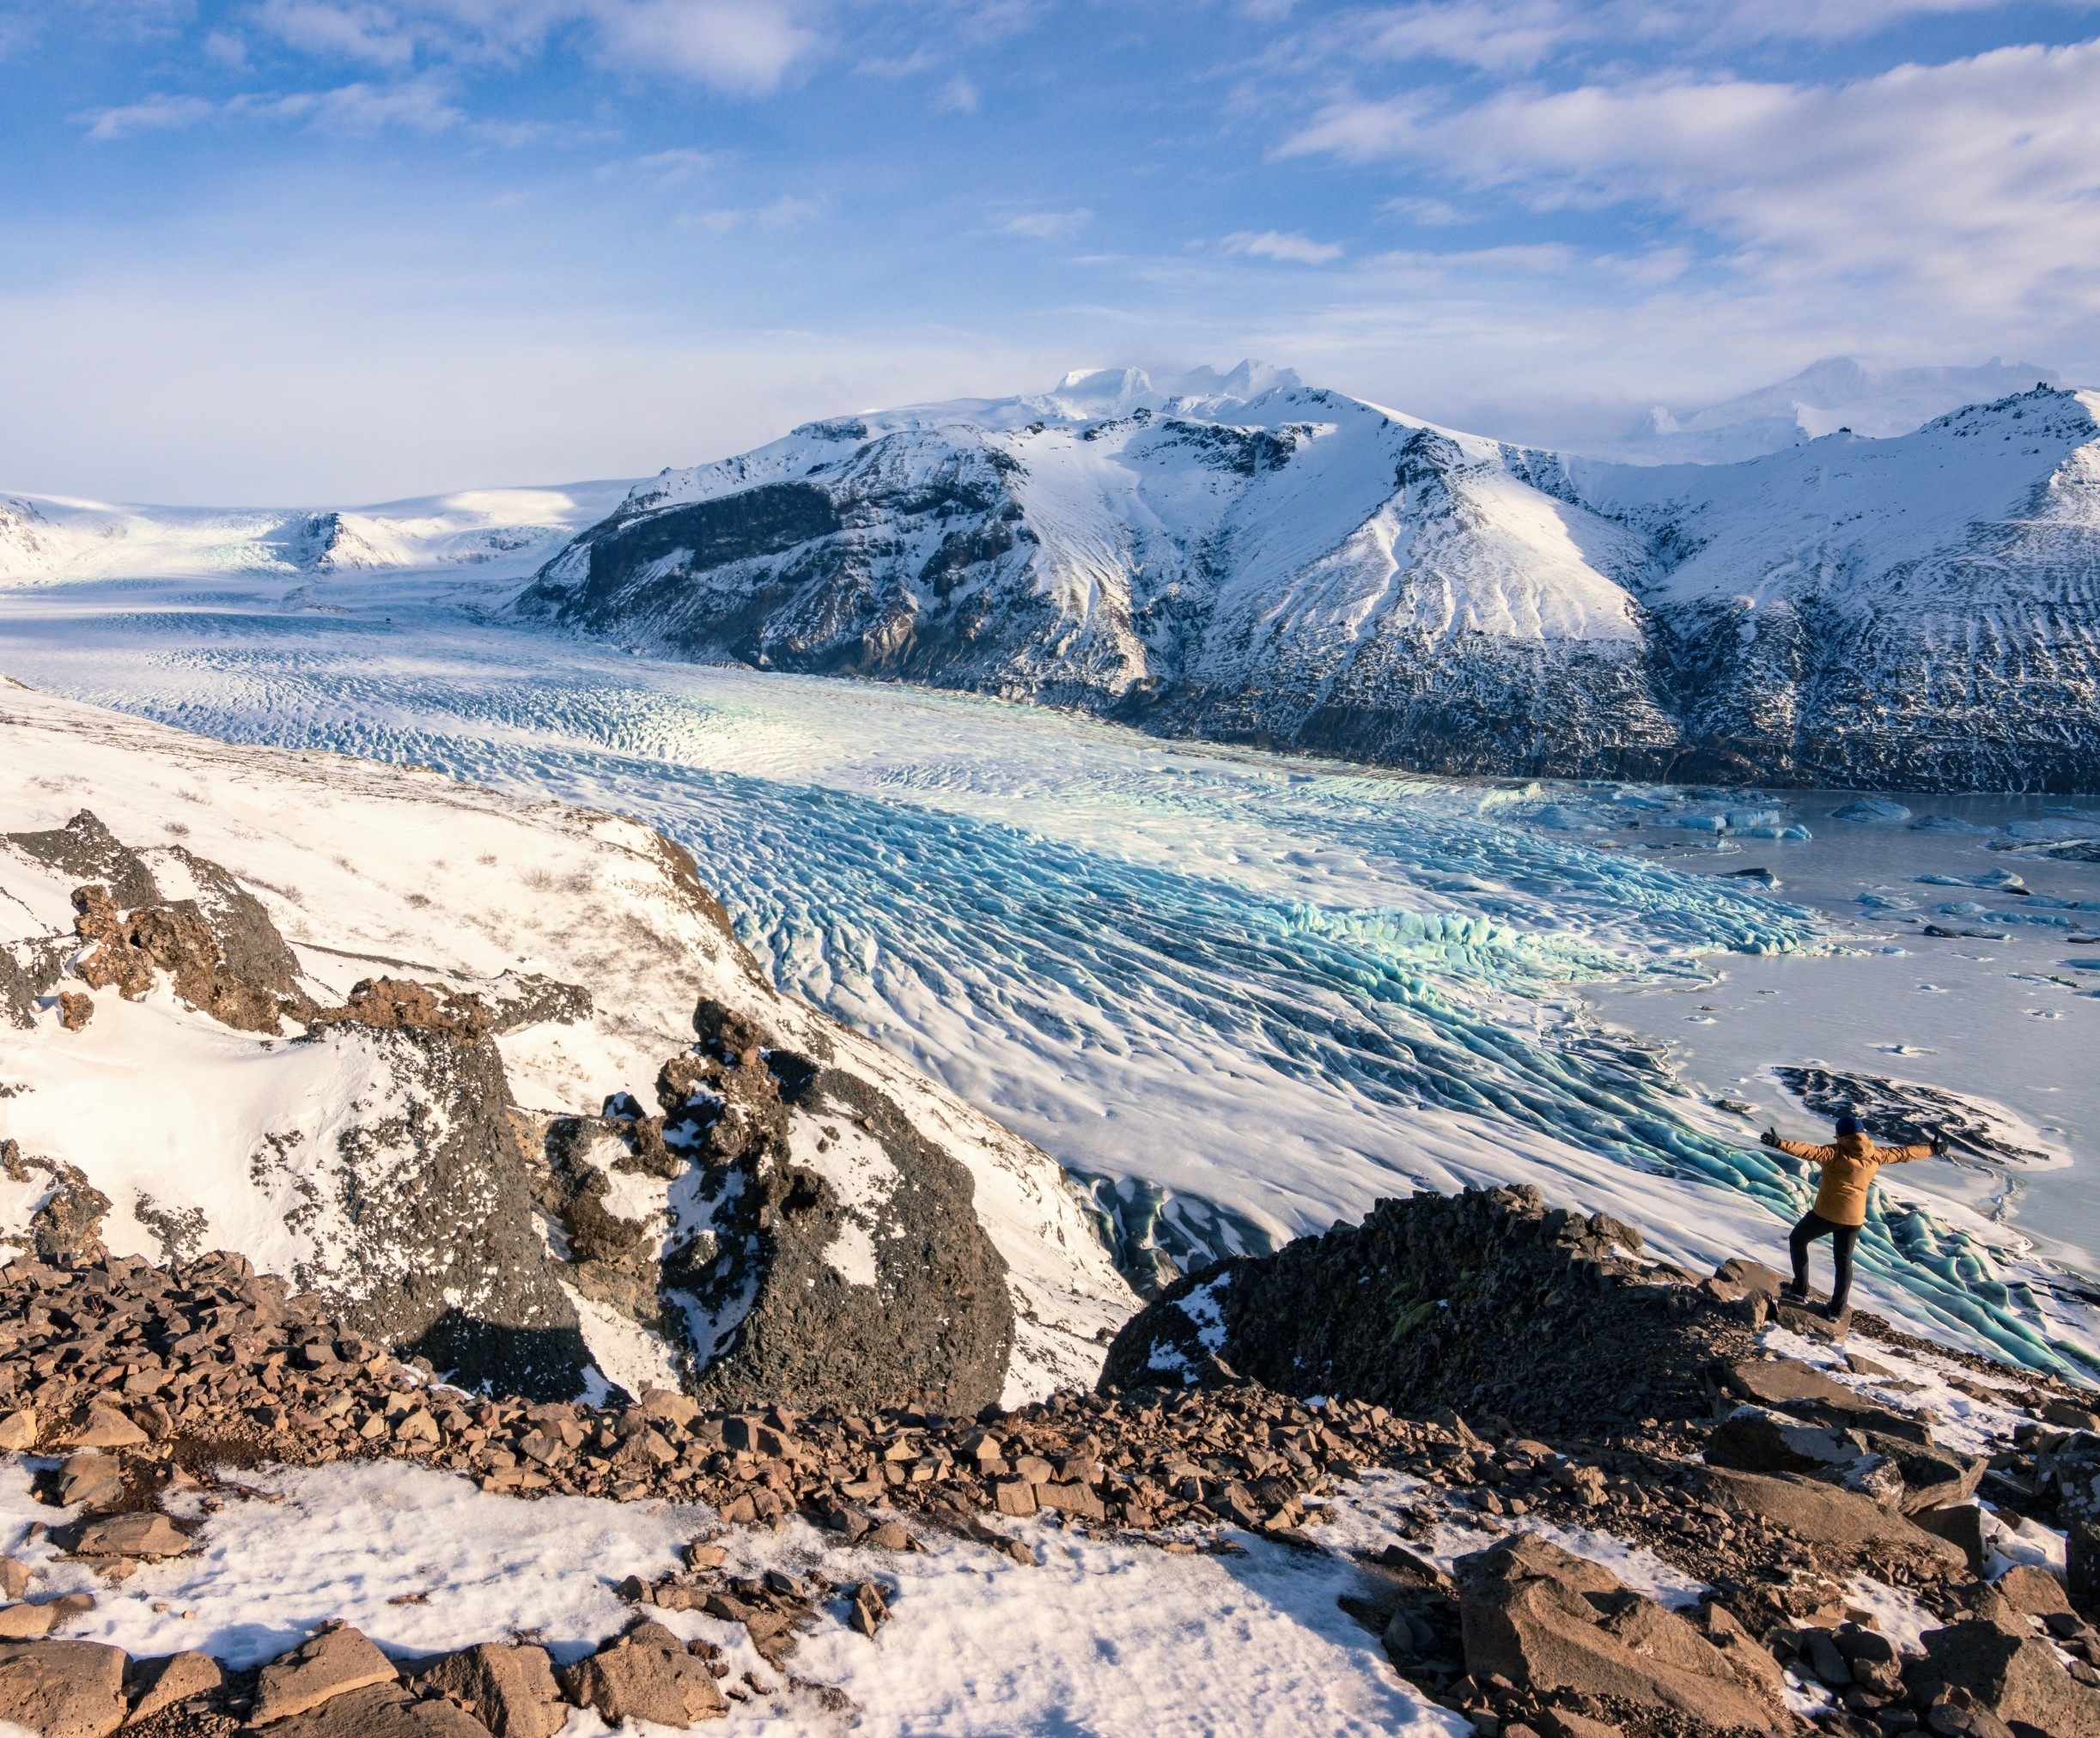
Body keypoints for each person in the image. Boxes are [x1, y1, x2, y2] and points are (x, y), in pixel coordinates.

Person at [1759, 1114, 1945, 1320]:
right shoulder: (1876, 1154)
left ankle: (1799, 1290)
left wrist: (1780, 1143)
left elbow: (1810, 1151)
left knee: (1798, 1239)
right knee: (1843, 1262)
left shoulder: (1835, 1153)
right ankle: (1836, 1310)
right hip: (1854, 1219)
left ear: (1841, 1136)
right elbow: (1904, 1153)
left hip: (1827, 1215)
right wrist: (1932, 1149)